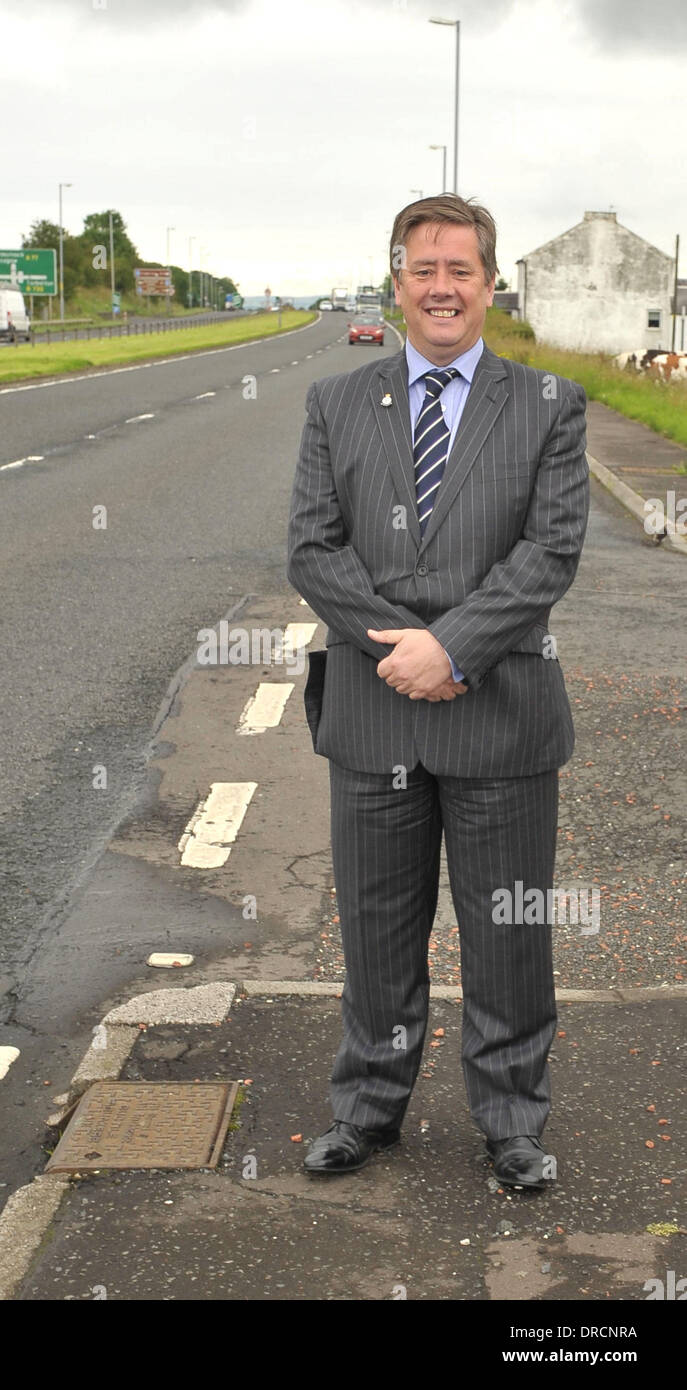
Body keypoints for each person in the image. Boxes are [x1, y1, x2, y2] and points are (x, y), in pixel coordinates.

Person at [286, 194, 589, 1188]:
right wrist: (402, 651)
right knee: (376, 932)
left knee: (507, 932)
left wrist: (452, 649)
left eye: (461, 269)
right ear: (397, 284)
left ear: (490, 285)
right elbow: (312, 549)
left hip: (499, 716)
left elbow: (548, 552)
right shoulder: (335, 403)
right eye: (424, 269)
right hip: (375, 712)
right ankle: (367, 1109)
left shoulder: (547, 404)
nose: (442, 287)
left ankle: (511, 1122)